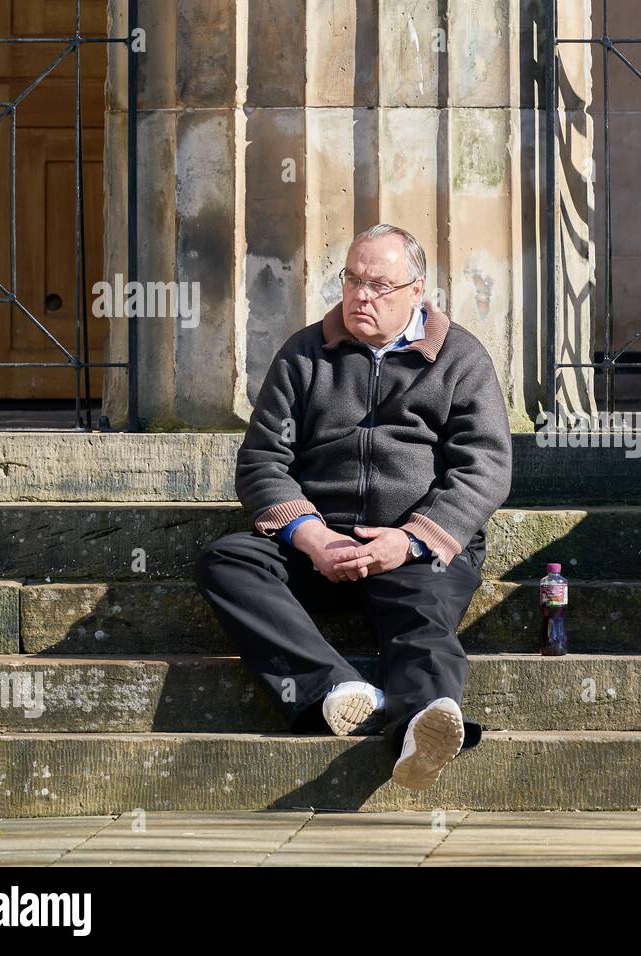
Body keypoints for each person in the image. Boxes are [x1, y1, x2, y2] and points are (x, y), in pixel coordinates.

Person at [194, 223, 511, 789]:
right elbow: (263, 462)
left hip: (416, 541)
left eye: (380, 285)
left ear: (417, 291)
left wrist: (410, 539)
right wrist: (311, 536)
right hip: (323, 538)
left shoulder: (460, 356)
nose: (362, 296)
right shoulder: (303, 353)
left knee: (423, 622)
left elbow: (484, 469)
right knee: (228, 562)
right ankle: (334, 690)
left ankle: (424, 726)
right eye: (353, 280)